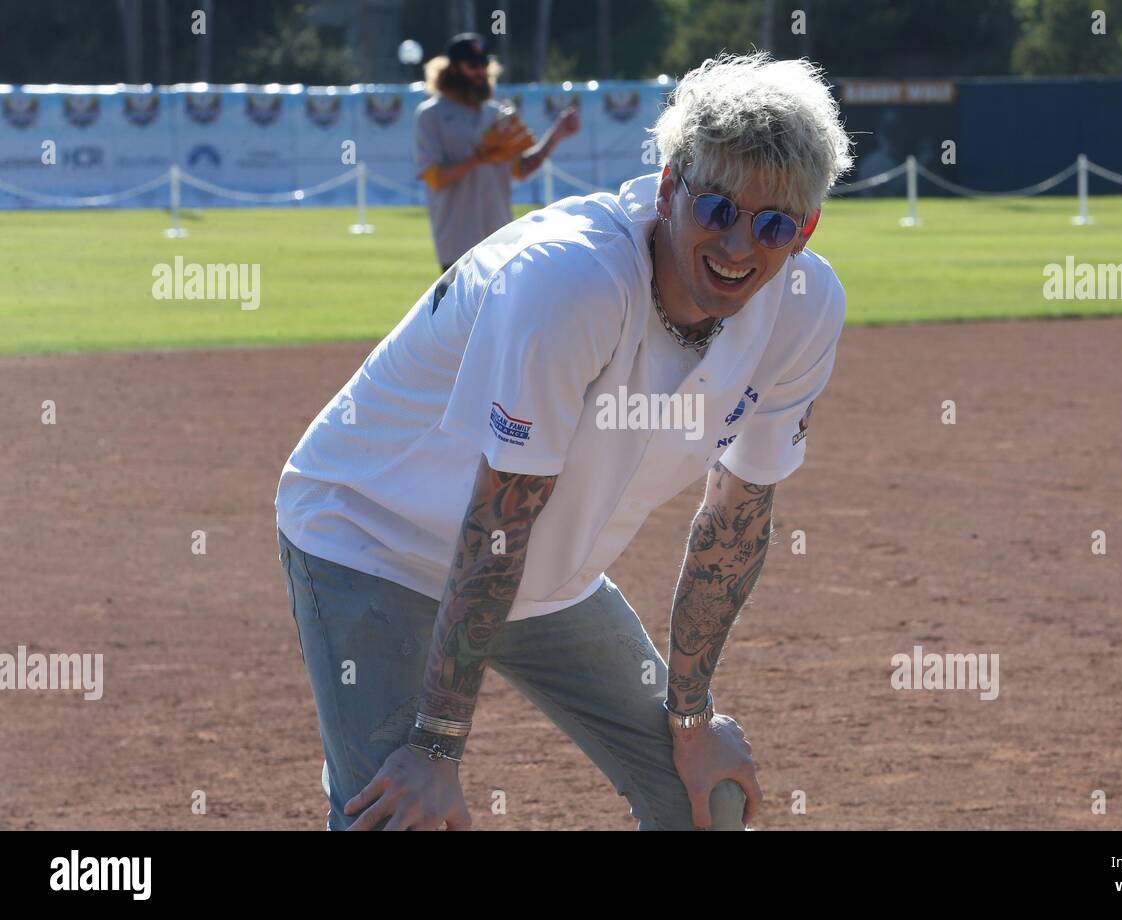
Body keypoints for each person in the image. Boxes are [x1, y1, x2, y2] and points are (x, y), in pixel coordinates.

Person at [275, 51, 852, 831]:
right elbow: (500, 522)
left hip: (544, 576)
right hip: (376, 534)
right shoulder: (570, 282)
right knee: (401, 813)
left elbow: (734, 521)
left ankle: (366, 744)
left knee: (705, 802)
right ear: (669, 187)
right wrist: (436, 747)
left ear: (806, 230)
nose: (740, 246)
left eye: (775, 225)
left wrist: (692, 721)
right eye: (718, 209)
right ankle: (365, 749)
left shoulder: (806, 306)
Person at [414, 32, 580, 271]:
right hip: (456, 240)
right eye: (472, 65)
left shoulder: (497, 113)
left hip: (500, 236)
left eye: (484, 64)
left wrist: (557, 135)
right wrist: (478, 158)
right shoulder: (431, 115)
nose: (481, 72)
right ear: (451, 69)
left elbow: (520, 170)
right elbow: (434, 178)